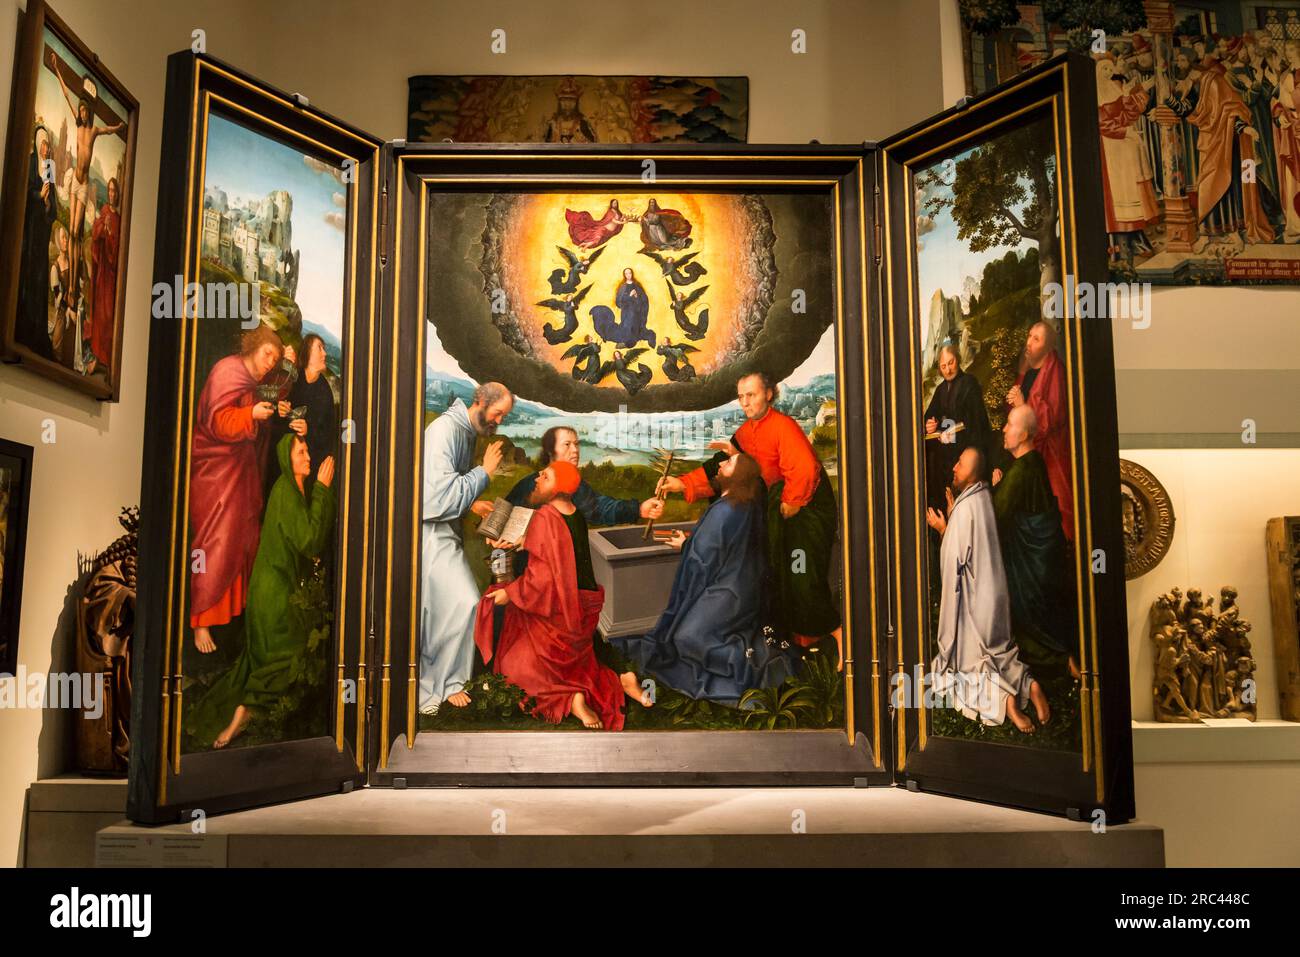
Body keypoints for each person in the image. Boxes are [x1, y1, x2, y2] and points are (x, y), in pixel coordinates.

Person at [658, 372, 843, 669]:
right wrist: (682, 484)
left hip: (807, 510)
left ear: (769, 394)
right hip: (780, 510)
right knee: (777, 574)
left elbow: (805, 469)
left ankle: (837, 634)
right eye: (741, 396)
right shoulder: (744, 433)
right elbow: (720, 471)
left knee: (801, 573)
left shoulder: (784, 426)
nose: (745, 402)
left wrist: (791, 502)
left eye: (751, 395)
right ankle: (802, 643)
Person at [187, 434, 336, 749]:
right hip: (274, 595)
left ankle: (241, 713)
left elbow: (301, 541)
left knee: (258, 661)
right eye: (301, 452)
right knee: (285, 656)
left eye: (308, 450)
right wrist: (323, 488)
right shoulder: (286, 492)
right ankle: (244, 714)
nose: (308, 456)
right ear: (287, 459)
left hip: (269, 589)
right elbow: (309, 540)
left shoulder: (292, 491)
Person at [474, 460, 647, 730]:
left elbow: (541, 580)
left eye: (544, 477)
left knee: (511, 665)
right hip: (581, 611)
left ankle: (572, 699)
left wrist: (509, 593)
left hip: (556, 613)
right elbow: (559, 551)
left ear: (558, 488)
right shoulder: (574, 514)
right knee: (575, 664)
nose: (537, 479)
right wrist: (525, 542)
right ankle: (617, 680)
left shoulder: (545, 517)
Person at [612, 452, 793, 705]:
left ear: (739, 476)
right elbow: (717, 547)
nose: (719, 464)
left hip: (728, 592)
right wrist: (690, 542)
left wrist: (688, 546)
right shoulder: (745, 502)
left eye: (728, 463)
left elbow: (703, 561)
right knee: (689, 634)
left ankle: (743, 665)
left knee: (686, 637)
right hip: (741, 590)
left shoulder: (725, 510)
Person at [925, 447, 1048, 732]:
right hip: (995, 600)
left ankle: (1006, 702)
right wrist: (953, 520)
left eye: (961, 464)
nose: (954, 467)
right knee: (1001, 652)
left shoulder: (965, 509)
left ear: (973, 474)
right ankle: (1030, 685)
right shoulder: (982, 499)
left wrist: (944, 529)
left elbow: (954, 561)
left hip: (974, 603)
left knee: (972, 663)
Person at [189, 325, 286, 654]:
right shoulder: (227, 371)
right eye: (267, 355)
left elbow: (263, 405)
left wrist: (270, 411)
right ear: (253, 347)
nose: (270, 362)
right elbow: (217, 422)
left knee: (242, 539)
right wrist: (250, 414)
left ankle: (231, 614)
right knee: (216, 540)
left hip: (239, 473)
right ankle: (200, 620)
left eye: (274, 358)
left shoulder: (252, 381)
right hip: (216, 472)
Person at [418, 383, 512, 713]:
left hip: (445, 530)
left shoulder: (466, 430)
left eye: (504, 416)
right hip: (430, 534)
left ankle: (449, 680)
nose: (499, 421)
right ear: (480, 403)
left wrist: (473, 502)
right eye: (498, 413)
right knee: (463, 602)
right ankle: (439, 685)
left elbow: (449, 486)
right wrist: (483, 473)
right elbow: (432, 499)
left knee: (448, 610)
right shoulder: (445, 430)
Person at [990, 405, 1079, 679]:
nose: (1004, 429)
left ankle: (1061, 664)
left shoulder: (1020, 472)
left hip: (1030, 570)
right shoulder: (1033, 462)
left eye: (1009, 424)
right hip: (1042, 561)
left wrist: (996, 488)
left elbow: (995, 515)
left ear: (1025, 433)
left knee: (1027, 621)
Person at [51, 51, 124, 315]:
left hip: (82, 185)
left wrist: (117, 128)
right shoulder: (78, 126)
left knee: (78, 232)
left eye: (84, 110)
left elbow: (106, 130)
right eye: (80, 110)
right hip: (74, 180)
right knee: (70, 232)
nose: (81, 112)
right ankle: (70, 287)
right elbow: (67, 96)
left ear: (89, 112)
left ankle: (72, 287)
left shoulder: (92, 131)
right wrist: (58, 70)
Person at [506, 426, 662, 526]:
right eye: (567, 444)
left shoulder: (576, 485)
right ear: (550, 451)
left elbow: (599, 508)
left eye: (577, 444)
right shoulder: (529, 484)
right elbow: (503, 518)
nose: (575, 450)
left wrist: (638, 509)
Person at [1006, 321, 1073, 541]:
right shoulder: (1029, 371)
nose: (1029, 342)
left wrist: (1020, 404)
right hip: (1028, 453)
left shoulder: (1056, 371)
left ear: (1048, 346)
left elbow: (1047, 421)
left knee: (1057, 510)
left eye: (1036, 338)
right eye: (1029, 335)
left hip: (1049, 455)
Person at [1095, 56, 1161, 261]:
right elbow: (1103, 125)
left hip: (1124, 149)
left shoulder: (1115, 88)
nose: (1107, 72)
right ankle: (1122, 246)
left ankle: (1137, 240)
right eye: (1103, 69)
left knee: (1132, 194)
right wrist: (1126, 132)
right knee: (1120, 197)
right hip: (1111, 150)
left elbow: (1128, 115)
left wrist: (1126, 96)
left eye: (1109, 68)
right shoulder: (1096, 94)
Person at [923, 344, 993, 513]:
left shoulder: (970, 383)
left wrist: (954, 434)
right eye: (943, 366)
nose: (948, 370)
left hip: (964, 452)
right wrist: (929, 424)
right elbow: (930, 416)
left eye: (951, 362)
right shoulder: (940, 390)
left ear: (958, 360)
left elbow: (977, 423)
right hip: (944, 456)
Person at [15, 126, 57, 360]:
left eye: (48, 144)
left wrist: (49, 206)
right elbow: (25, 191)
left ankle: (38, 331)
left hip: (42, 234)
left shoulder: (49, 167)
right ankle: (25, 328)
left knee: (40, 279)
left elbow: (53, 204)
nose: (45, 148)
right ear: (37, 143)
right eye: (43, 143)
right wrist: (38, 197)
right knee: (28, 276)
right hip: (29, 233)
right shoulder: (31, 161)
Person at [86, 177, 122, 373]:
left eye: (114, 191)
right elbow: (95, 236)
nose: (111, 194)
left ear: (118, 194)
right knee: (100, 314)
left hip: (111, 276)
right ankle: (96, 356)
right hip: (102, 276)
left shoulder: (118, 219)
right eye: (109, 190)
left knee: (109, 316)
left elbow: (116, 251)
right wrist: (102, 228)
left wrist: (109, 233)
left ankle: (106, 359)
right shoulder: (105, 212)